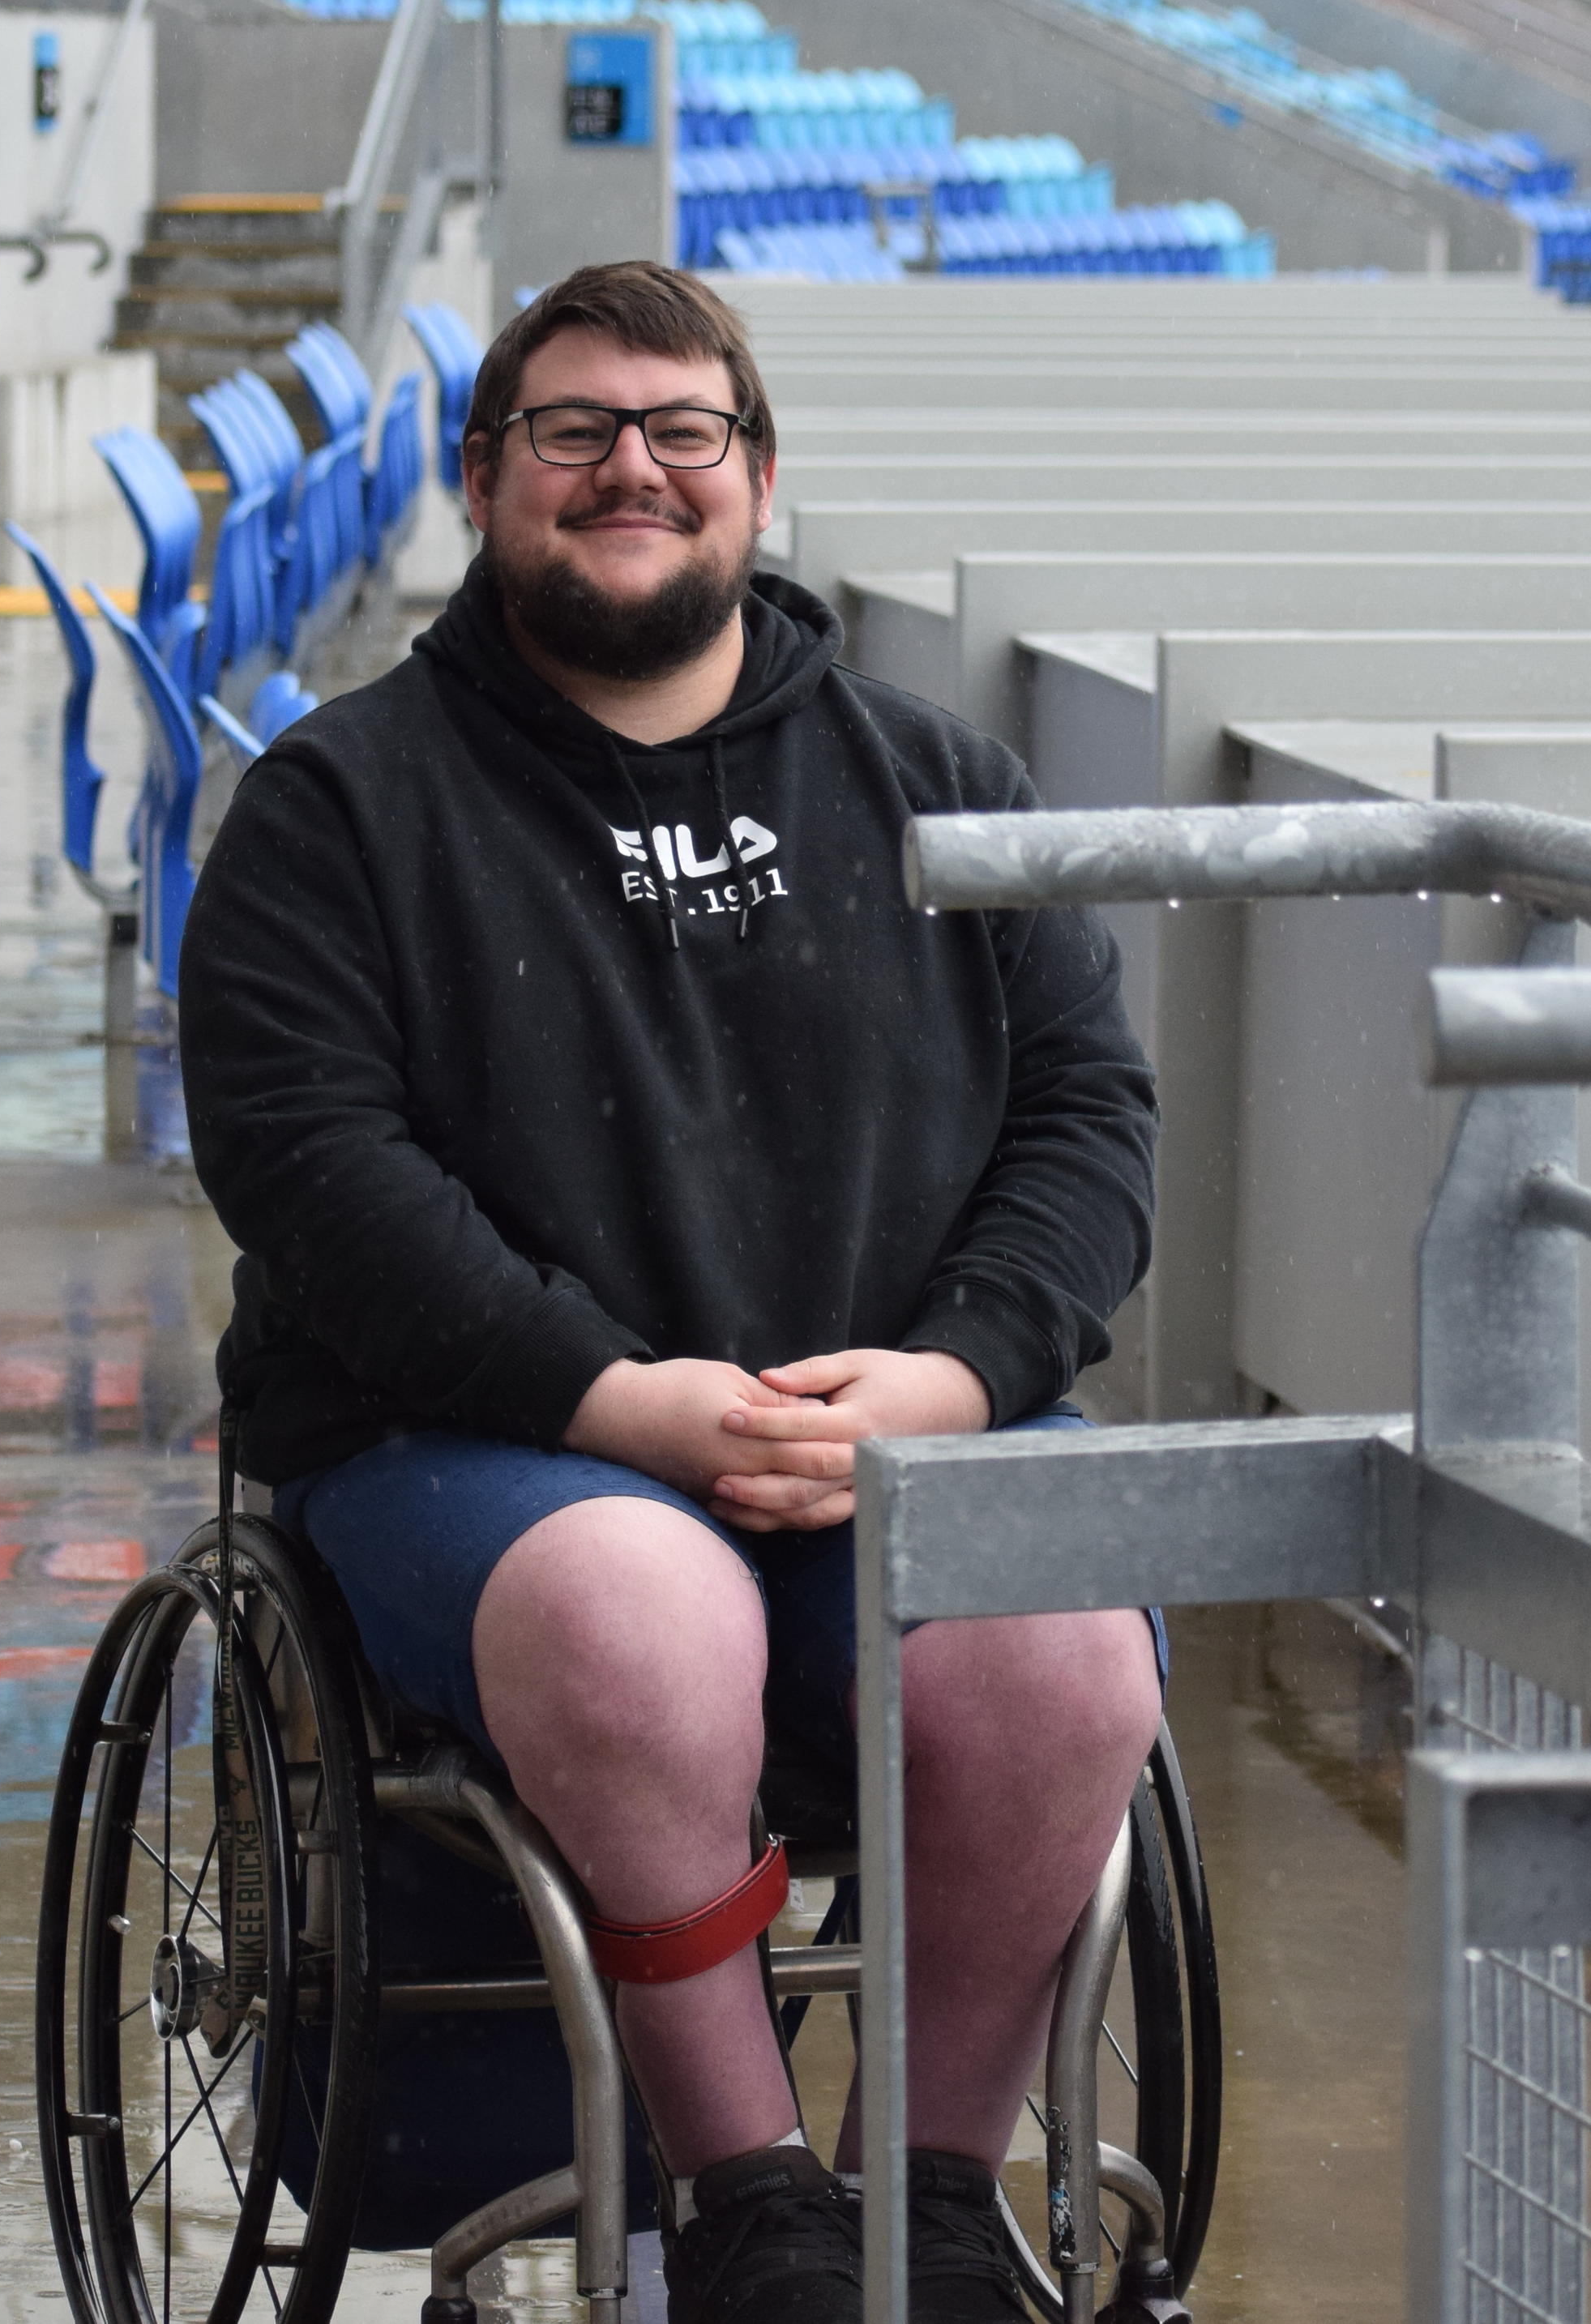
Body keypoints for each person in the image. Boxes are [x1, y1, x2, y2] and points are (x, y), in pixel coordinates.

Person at [178, 260, 1165, 2324]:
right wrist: (619, 1398)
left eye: (680, 429)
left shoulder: (943, 790)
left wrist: (951, 1380)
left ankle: (934, 2191)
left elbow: (1088, 1124)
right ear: (483, 479)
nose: (632, 465)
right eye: (572, 429)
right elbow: (316, 1176)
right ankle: (752, 2202)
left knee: (1071, 1641)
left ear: (755, 478)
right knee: (647, 1610)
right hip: (489, 1450)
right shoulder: (340, 809)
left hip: (873, 1426)